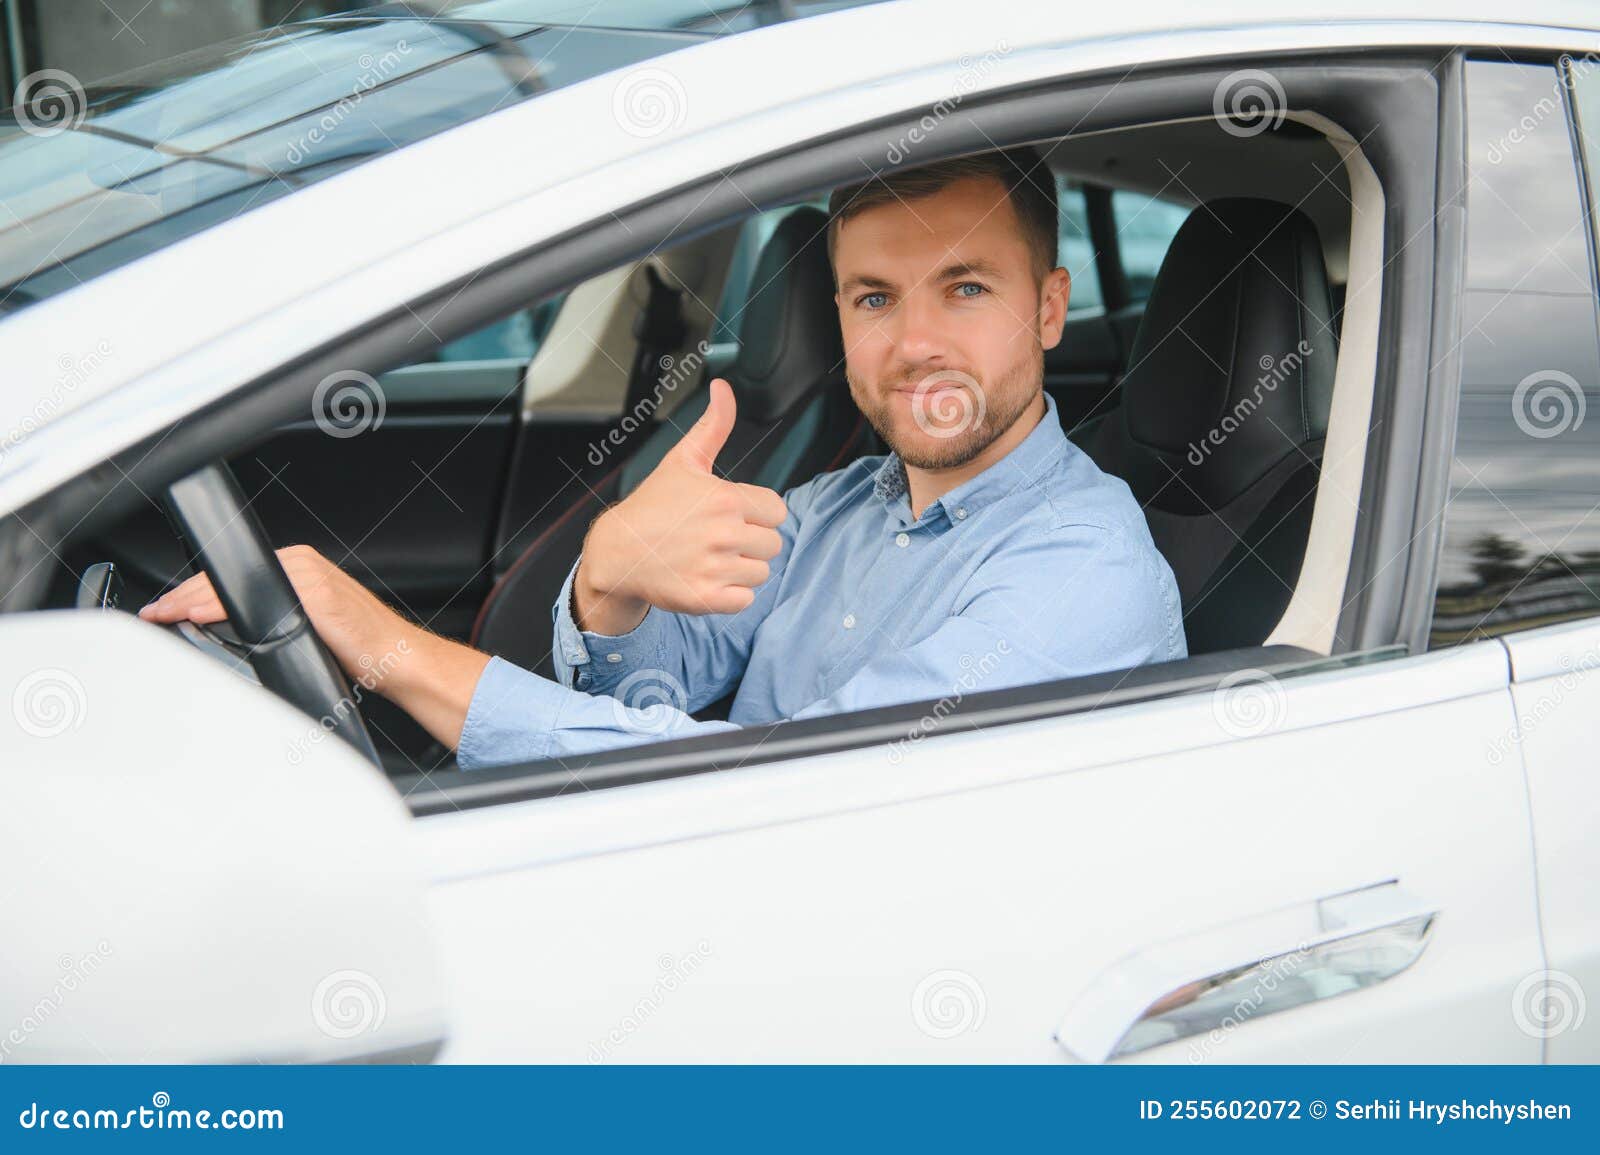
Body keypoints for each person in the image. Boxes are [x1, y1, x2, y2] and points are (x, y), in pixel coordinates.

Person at [140, 147, 1185, 768]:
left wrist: (390, 647)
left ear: (1049, 308)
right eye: (874, 298)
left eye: (965, 288)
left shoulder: (1084, 571)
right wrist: (607, 587)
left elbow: (778, 792)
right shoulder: (834, 504)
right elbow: (655, 698)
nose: (913, 343)